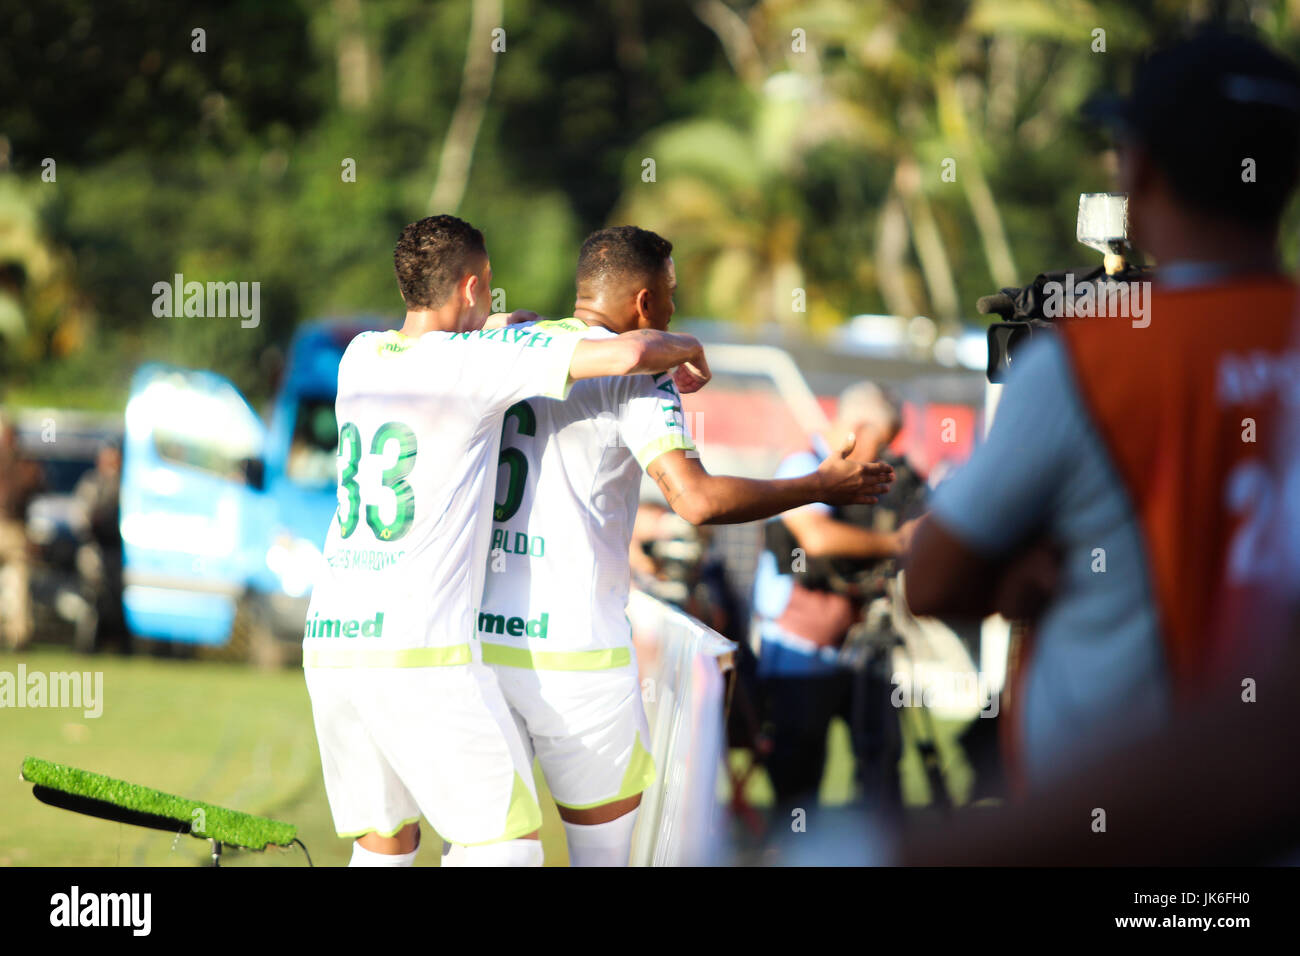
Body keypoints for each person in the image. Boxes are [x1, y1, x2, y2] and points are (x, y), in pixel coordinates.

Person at [904, 25, 1300, 794]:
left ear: (1140, 168)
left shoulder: (1090, 356)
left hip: (1109, 813)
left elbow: (932, 580)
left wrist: (1023, 573)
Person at [473, 225, 894, 866]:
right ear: (644, 304)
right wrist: (817, 483)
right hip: (574, 653)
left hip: (481, 642)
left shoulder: (510, 342)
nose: (675, 309)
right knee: (604, 857)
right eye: (670, 294)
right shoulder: (640, 369)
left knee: (490, 851)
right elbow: (695, 500)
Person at [302, 215, 713, 867]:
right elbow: (630, 353)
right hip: (417, 648)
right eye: (487, 289)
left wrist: (509, 324)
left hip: (331, 640)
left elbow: (483, 335)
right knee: (506, 844)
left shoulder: (361, 356)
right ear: (468, 288)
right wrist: (686, 343)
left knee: (386, 845)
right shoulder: (472, 364)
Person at [751, 382, 919, 811]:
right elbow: (817, 538)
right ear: (859, 429)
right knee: (799, 781)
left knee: (881, 763)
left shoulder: (857, 482)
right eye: (881, 443)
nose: (882, 456)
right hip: (798, 653)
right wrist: (896, 543)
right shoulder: (800, 466)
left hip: (857, 649)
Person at [0, 414, 43, 650]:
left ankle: (17, 634)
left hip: (12, 526)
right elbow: (40, 486)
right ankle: (17, 634)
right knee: (16, 583)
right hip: (14, 527)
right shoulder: (25, 463)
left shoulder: (23, 463)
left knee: (17, 583)